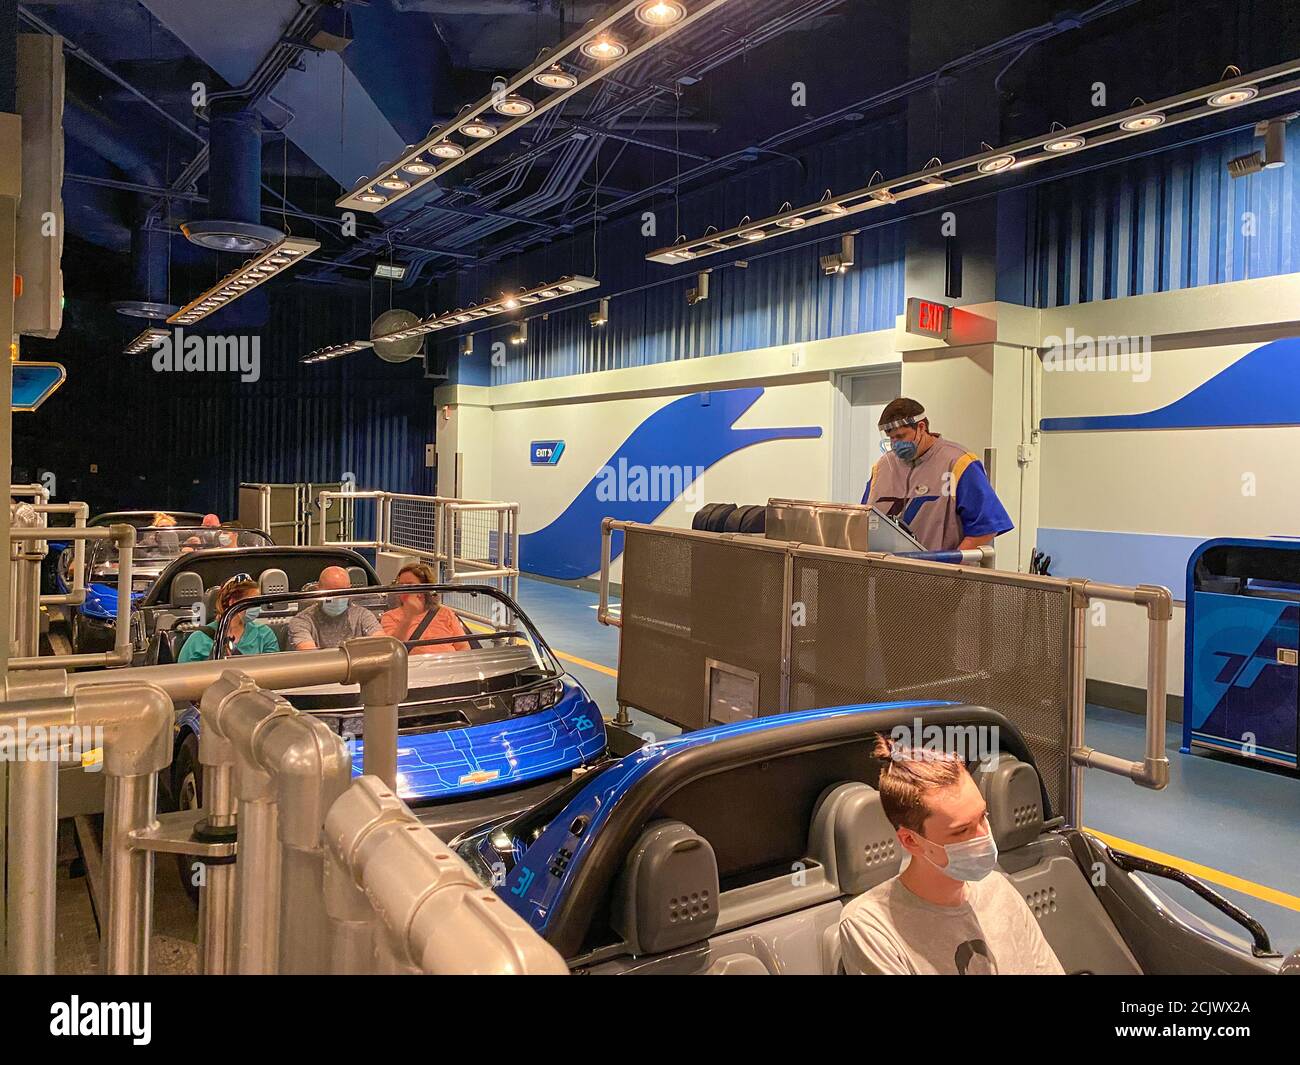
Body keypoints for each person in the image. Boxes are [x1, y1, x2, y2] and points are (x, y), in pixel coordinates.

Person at [838, 735, 1064, 975]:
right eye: (961, 831)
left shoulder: (999, 889)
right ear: (911, 841)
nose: (983, 836)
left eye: (982, 817)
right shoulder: (871, 926)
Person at [862, 398, 1012, 553]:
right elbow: (864, 521)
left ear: (921, 428)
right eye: (890, 438)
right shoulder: (882, 468)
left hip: (939, 572)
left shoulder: (958, 463)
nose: (894, 444)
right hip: (888, 572)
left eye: (900, 436)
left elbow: (986, 528)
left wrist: (950, 568)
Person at [178, 575, 279, 662]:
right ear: (233, 602)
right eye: (252, 603)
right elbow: (182, 677)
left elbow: (273, 671)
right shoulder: (199, 639)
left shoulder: (264, 634)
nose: (257, 608)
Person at [380, 562, 470, 653]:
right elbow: (392, 650)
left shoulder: (445, 613)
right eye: (401, 585)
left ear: (425, 589)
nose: (403, 590)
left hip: (446, 664)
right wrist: (408, 617)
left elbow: (463, 648)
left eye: (409, 586)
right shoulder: (390, 617)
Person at [287, 565, 381, 650]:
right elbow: (311, 657)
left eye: (343, 593)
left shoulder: (363, 616)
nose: (338, 599)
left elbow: (382, 645)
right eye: (331, 594)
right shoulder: (301, 621)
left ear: (350, 590)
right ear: (318, 590)